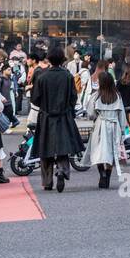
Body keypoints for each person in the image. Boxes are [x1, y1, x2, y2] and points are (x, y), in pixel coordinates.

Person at [29, 46, 85, 193]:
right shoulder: (67, 76)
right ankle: (62, 170)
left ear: (49, 59)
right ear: (62, 59)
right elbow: (74, 97)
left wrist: (44, 105)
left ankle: (47, 182)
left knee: (45, 149)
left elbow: (35, 99)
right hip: (64, 116)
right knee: (63, 148)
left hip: (46, 117)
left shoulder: (42, 77)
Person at [84, 70, 127, 189]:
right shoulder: (117, 96)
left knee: (98, 152)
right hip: (114, 126)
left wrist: (94, 117)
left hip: (100, 125)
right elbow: (121, 114)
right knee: (112, 152)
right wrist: (123, 129)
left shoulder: (96, 95)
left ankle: (102, 173)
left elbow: (91, 113)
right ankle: (107, 175)